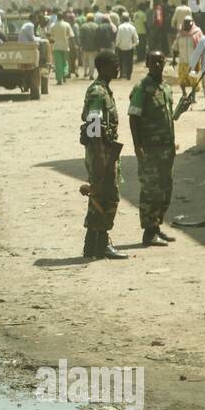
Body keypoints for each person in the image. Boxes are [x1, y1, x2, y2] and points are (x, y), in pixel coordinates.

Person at [129, 51, 194, 247]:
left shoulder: (165, 88)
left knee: (165, 189)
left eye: (160, 61)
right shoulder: (142, 88)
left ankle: (156, 227)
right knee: (151, 190)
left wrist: (181, 109)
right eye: (153, 61)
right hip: (150, 148)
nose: (157, 64)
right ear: (147, 63)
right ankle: (148, 233)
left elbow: (169, 118)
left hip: (166, 148)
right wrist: (137, 146)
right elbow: (133, 117)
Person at [80, 49, 126, 260]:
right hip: (101, 151)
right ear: (102, 67)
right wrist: (101, 157)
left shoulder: (103, 89)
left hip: (102, 150)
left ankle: (92, 245)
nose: (117, 67)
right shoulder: (98, 92)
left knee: (99, 195)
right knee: (108, 196)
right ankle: (102, 242)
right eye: (113, 64)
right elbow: (94, 124)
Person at [172, 13, 202, 96]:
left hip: (193, 62)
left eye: (189, 22)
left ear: (192, 23)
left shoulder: (196, 33)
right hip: (182, 61)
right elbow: (175, 48)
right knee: (182, 80)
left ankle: (193, 96)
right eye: (185, 22)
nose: (187, 24)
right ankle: (184, 93)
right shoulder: (180, 35)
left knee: (193, 80)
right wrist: (174, 59)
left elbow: (200, 47)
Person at [49, 14, 73, 85]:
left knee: (58, 63)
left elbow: (50, 36)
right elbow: (71, 35)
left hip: (56, 46)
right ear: (63, 17)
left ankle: (59, 80)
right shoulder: (67, 25)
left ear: (57, 17)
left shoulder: (53, 25)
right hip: (65, 46)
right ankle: (65, 75)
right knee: (65, 62)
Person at [115, 13, 139, 80]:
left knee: (121, 61)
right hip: (129, 47)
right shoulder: (132, 27)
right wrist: (134, 45)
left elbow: (118, 38)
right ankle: (129, 75)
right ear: (129, 19)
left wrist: (116, 45)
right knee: (129, 62)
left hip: (121, 47)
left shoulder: (120, 27)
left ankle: (121, 74)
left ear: (122, 19)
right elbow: (136, 39)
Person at [77, 12, 100, 80]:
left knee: (85, 60)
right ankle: (91, 74)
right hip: (94, 46)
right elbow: (98, 38)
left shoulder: (83, 26)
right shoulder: (96, 26)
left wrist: (80, 45)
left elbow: (81, 37)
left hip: (85, 46)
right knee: (91, 60)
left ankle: (85, 72)